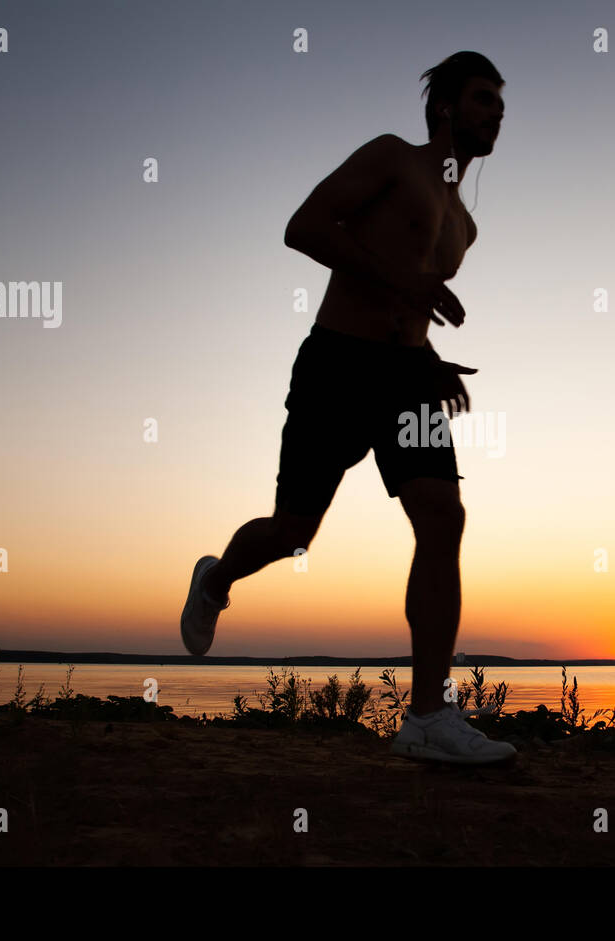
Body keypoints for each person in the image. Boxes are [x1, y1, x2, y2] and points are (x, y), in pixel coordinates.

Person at [180, 52, 513, 764]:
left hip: (407, 378)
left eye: (501, 102)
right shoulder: (394, 158)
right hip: (337, 362)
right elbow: (304, 227)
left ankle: (427, 718)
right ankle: (217, 576)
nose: (498, 112)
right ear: (446, 108)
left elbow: (410, 305)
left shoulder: (465, 224)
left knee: (443, 516)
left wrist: (428, 361)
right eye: (484, 98)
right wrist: (411, 285)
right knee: (294, 531)